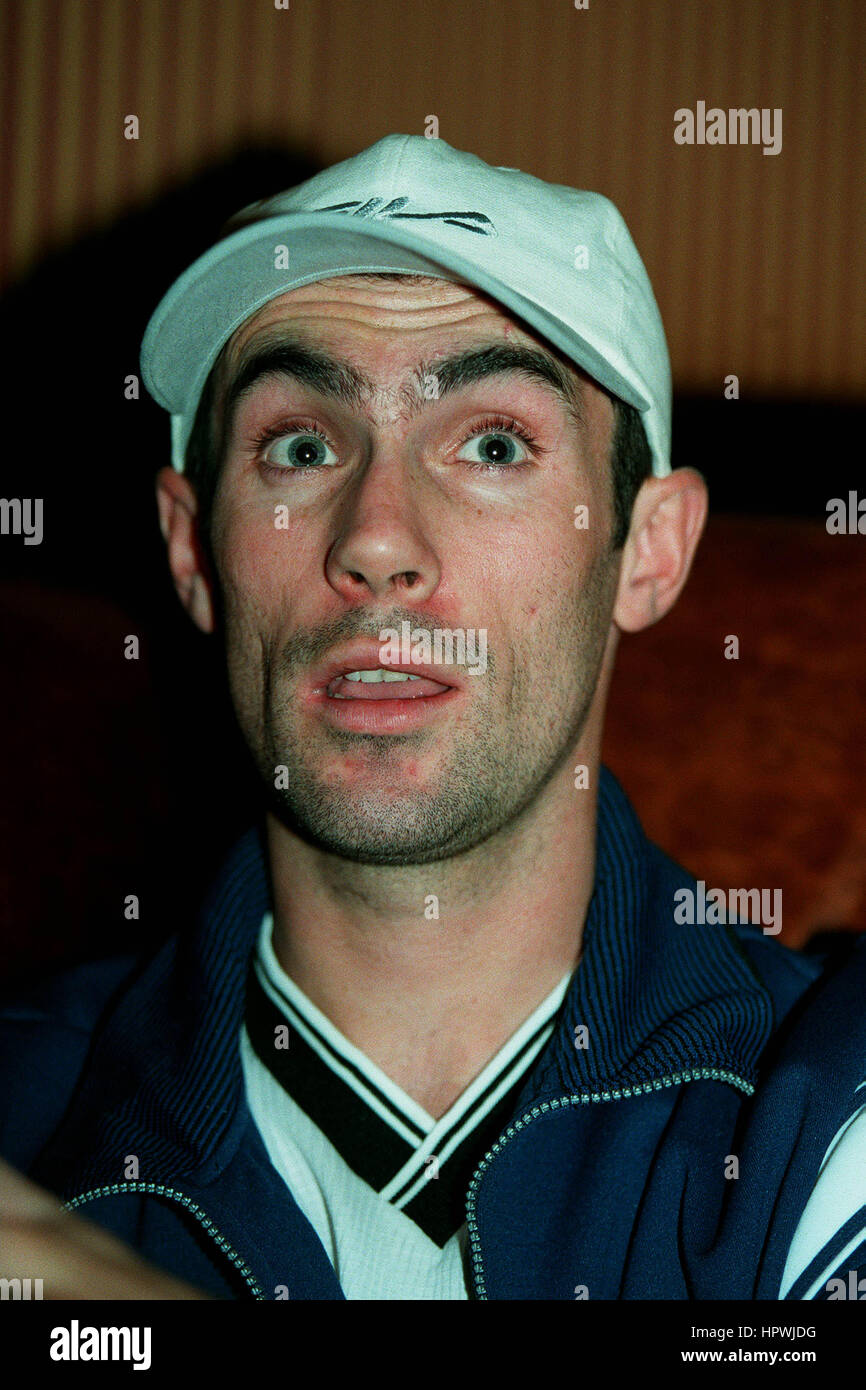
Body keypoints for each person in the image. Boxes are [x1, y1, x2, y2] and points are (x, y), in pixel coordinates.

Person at [1, 135, 864, 1302]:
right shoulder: (25, 1115)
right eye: (299, 446)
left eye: (493, 445)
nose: (375, 541)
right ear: (192, 550)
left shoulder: (823, 1115)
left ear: (647, 550)